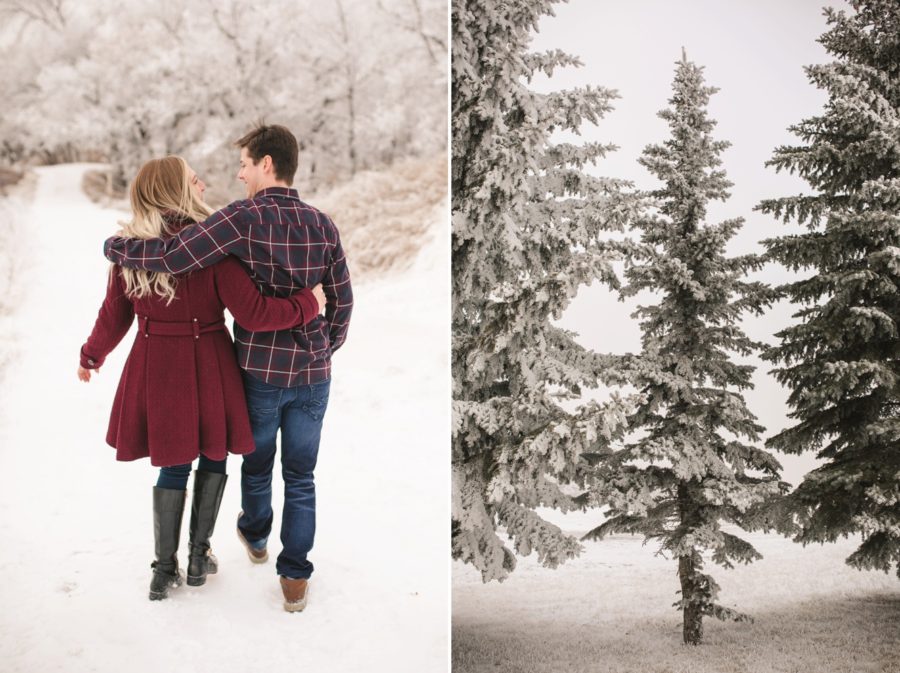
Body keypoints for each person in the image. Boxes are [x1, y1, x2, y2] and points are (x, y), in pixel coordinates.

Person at [103, 125, 353, 612]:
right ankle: (294, 580)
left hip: (261, 370)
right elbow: (341, 299)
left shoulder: (240, 219)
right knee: (302, 475)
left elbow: (175, 255)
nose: (237, 174)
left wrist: (117, 249)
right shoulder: (323, 224)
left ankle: (254, 536)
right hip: (313, 375)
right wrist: (323, 347)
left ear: (265, 164)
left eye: (243, 163)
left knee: (257, 465)